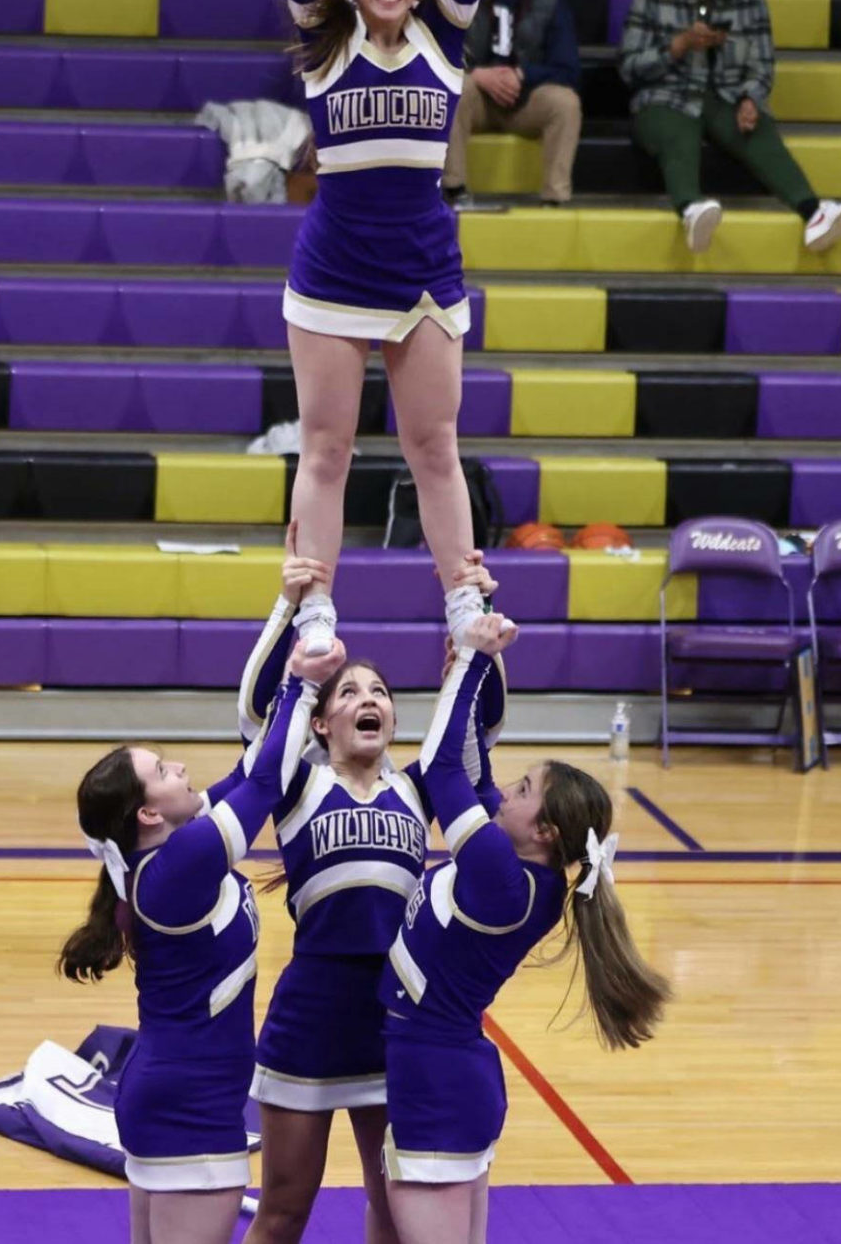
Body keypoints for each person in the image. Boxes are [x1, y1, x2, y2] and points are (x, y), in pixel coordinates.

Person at [272, 0, 533, 658]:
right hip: (335, 264)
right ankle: (313, 610)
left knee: (435, 446)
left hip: (424, 267)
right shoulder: (322, 30)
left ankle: (464, 599)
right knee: (328, 452)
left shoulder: (445, 34)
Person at [234, 530, 513, 1244]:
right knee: (283, 1208)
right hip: (310, 1012)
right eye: (350, 691)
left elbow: (479, 730)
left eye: (381, 692)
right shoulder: (298, 781)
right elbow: (255, 715)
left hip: (395, 1019)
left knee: (392, 1206)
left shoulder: (419, 789)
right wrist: (287, 605)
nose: (369, 699)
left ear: (393, 718)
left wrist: (476, 636)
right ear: (321, 722)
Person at [379, 626, 671, 1244]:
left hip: (437, 1084)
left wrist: (478, 656)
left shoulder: (500, 878)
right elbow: (473, 759)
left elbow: (440, 768)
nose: (503, 792)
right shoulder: (518, 869)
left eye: (521, 790)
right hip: (443, 1074)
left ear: (543, 832)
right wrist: (470, 666)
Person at [57, 638, 337, 1244]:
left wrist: (291, 612)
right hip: (191, 1102)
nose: (180, 768)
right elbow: (263, 783)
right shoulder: (179, 867)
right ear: (147, 815)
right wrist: (301, 684)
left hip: (175, 1090)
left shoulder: (163, 860)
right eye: (162, 771)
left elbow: (250, 768)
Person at [619, 0, 841, 254]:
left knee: (757, 130)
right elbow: (629, 67)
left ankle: (813, 213)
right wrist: (678, 45)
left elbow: (762, 64)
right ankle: (690, 208)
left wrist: (751, 99)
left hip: (726, 96)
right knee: (678, 132)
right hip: (666, 95)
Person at [442, 0, 582, 207]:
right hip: (479, 96)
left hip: (526, 100)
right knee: (454, 88)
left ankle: (555, 198)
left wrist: (523, 74)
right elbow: (442, 49)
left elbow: (568, 68)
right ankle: (454, 188)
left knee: (565, 103)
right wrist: (478, 73)